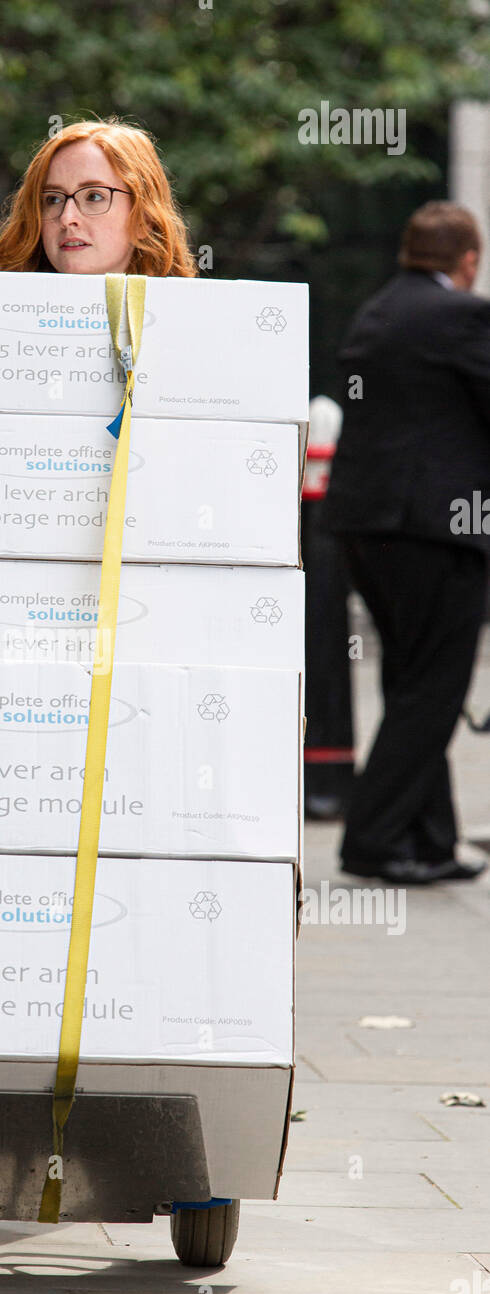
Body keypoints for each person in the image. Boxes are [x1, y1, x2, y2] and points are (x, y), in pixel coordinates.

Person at [320, 201, 490, 884]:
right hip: (434, 530)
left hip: (366, 525)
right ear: (468, 260)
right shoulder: (462, 316)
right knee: (434, 688)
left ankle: (429, 839)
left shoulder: (380, 310)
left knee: (413, 679)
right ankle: (374, 839)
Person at [0, 117, 198, 279]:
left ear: (144, 218)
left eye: (94, 196)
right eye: (53, 199)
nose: (67, 218)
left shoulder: (193, 328)